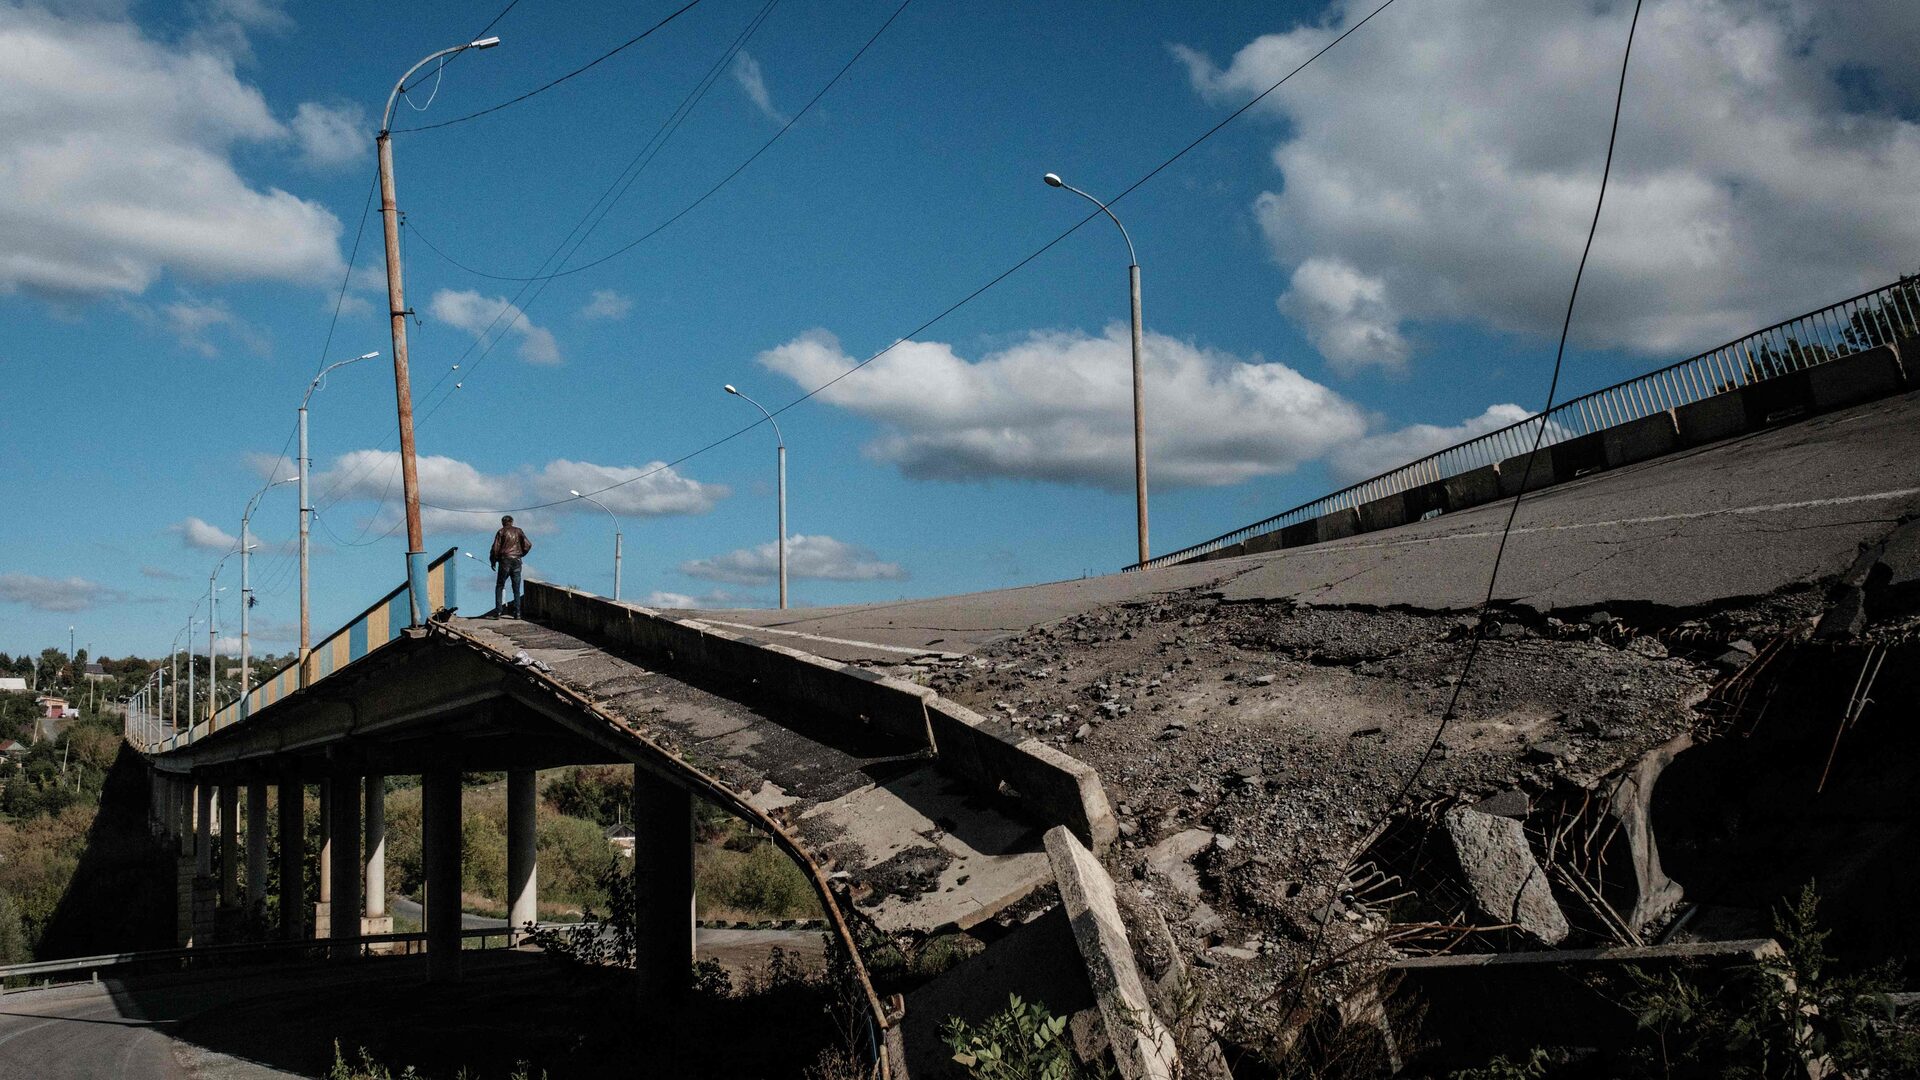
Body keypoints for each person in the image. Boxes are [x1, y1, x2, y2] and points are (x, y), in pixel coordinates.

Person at [490, 515, 533, 618]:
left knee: (500, 585)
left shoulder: (501, 532)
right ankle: (517, 613)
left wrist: (493, 561)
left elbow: (495, 548)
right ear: (512, 522)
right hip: (517, 561)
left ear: (502, 522)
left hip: (505, 560)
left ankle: (498, 611)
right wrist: (520, 554)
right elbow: (528, 544)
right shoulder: (518, 531)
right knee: (516, 588)